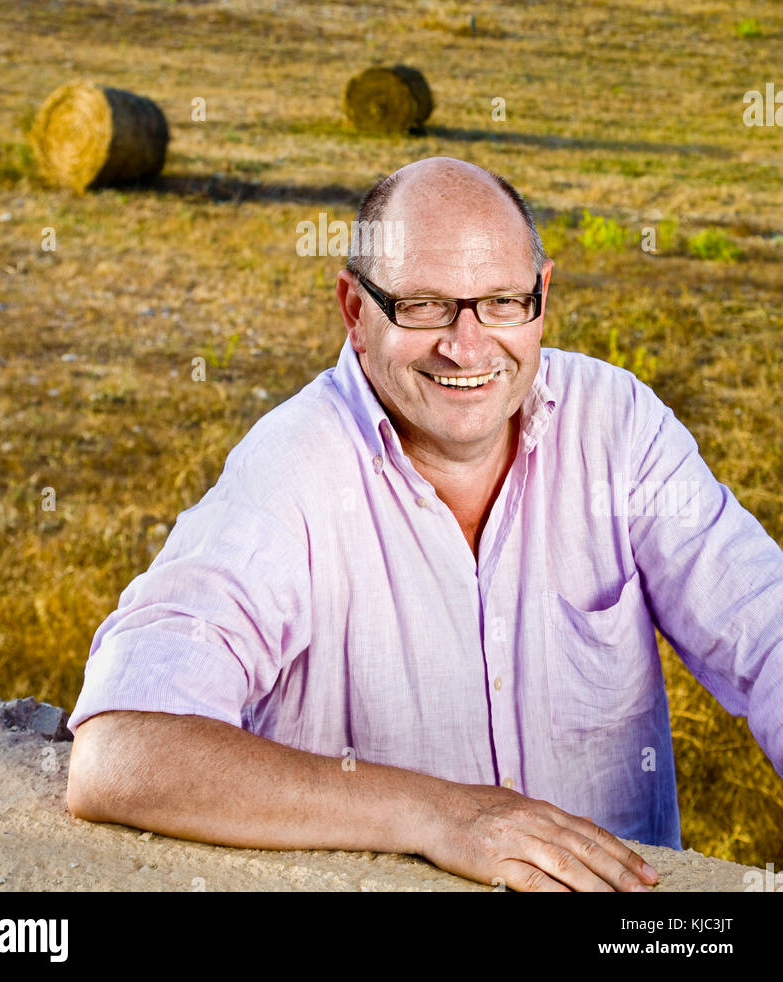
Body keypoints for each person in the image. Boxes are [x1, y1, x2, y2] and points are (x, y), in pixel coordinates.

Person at [66, 157, 783, 892]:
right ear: (354, 309)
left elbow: (767, 634)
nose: (467, 346)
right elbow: (123, 750)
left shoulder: (618, 426)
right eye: (425, 306)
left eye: (504, 301)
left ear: (543, 295)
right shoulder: (292, 469)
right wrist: (445, 816)